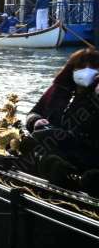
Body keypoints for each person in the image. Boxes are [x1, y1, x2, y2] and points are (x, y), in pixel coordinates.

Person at [25, 48, 99, 186]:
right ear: (72, 69)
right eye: (81, 67)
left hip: (83, 159)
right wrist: (35, 121)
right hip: (49, 149)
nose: (86, 71)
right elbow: (33, 112)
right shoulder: (58, 90)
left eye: (93, 68)